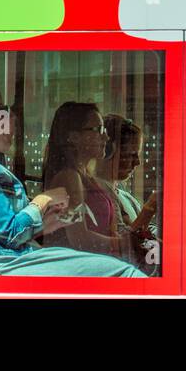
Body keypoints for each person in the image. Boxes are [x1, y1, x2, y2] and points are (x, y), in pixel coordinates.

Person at [0, 85, 145, 277]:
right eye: (3, 113)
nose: (12, 119)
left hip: (12, 258)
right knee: (124, 273)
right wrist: (43, 200)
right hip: (0, 264)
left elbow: (9, 229)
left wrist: (50, 221)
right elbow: (12, 233)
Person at [41, 102, 136, 263]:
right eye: (98, 130)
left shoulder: (86, 177)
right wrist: (124, 244)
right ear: (73, 137)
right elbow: (79, 239)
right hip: (75, 269)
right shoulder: (68, 178)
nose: (105, 137)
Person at [95, 115, 159, 267]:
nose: (137, 162)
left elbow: (145, 229)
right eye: (130, 155)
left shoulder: (122, 194)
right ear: (108, 152)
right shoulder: (99, 193)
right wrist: (150, 207)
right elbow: (123, 244)